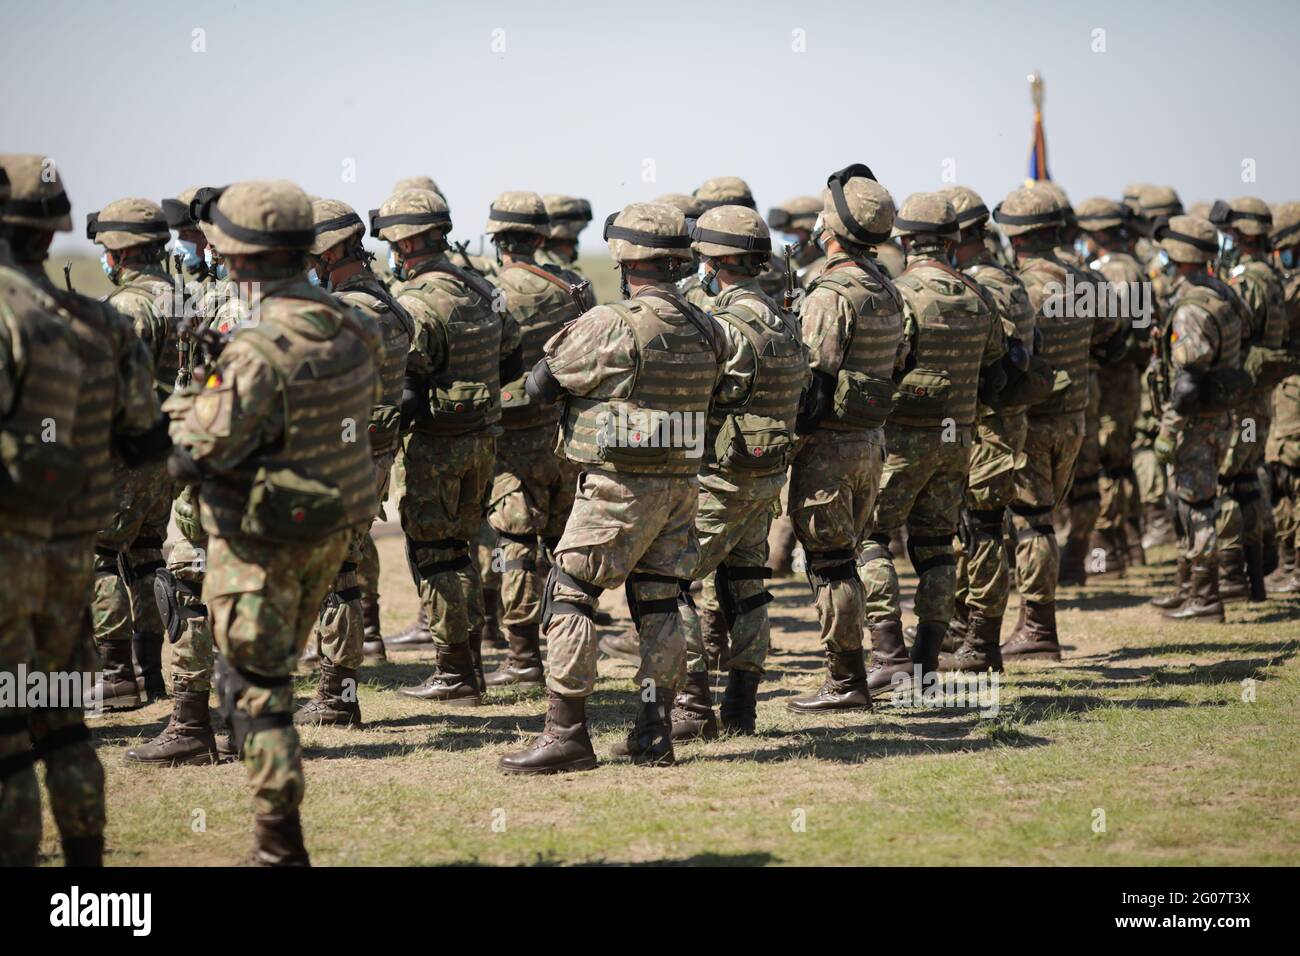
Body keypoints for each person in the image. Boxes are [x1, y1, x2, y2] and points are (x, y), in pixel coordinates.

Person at [168, 180, 378, 865]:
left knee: (255, 691)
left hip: (259, 539)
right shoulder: (356, 323)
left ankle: (278, 847)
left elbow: (197, 453)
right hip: (331, 527)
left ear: (240, 259)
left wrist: (186, 399)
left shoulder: (256, 348)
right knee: (272, 678)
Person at [498, 201, 723, 773]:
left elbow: (539, 387)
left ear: (624, 258)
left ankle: (567, 733)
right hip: (681, 489)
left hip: (619, 488)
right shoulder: (708, 326)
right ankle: (654, 731)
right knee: (660, 603)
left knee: (570, 593)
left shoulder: (612, 324)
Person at [0, 154, 165, 864]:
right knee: (64, 726)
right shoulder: (102, 323)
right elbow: (145, 440)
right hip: (69, 558)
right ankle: (89, 883)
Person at [375, 187, 521, 702]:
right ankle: (470, 667)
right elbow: (513, 358)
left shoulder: (415, 301)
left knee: (435, 557)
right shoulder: (482, 289)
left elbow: (409, 390)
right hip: (482, 443)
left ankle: (455, 674)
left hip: (435, 449)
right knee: (461, 554)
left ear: (405, 243)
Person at [671, 203, 808, 738]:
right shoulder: (783, 318)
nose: (698, 265)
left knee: (670, 582)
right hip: (763, 476)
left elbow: (695, 399)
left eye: (703, 255)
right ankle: (741, 707)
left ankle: (692, 706)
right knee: (747, 588)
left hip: (719, 476)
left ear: (720, 260)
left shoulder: (721, 327)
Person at [859, 192, 1002, 692]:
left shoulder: (900, 295)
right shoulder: (977, 295)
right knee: (937, 546)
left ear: (903, 239)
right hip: (957, 439)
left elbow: (884, 362)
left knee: (872, 539)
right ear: (952, 240)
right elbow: (997, 365)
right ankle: (925, 664)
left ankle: (888, 652)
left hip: (902, 440)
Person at [783, 165, 902, 712]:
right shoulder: (886, 289)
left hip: (828, 448)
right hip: (870, 442)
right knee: (848, 558)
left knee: (829, 565)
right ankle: (857, 673)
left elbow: (813, 382)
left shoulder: (832, 293)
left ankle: (845, 681)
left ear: (829, 230)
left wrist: (787, 442)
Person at [292, 199, 406, 725]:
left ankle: (337, 698)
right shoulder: (387, 303)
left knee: (336, 573)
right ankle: (339, 691)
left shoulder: (347, 313)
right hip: (371, 454)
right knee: (344, 570)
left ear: (332, 251)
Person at [480, 191, 592, 688]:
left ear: (499, 239)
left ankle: (524, 659)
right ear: (541, 236)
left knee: (515, 546)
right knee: (566, 547)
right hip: (567, 437)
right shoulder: (574, 286)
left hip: (512, 443)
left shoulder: (490, 291)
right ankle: (571, 649)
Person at [1149, 215, 1247, 620]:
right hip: (1219, 415)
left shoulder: (1191, 306)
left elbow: (1188, 380)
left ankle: (1205, 597)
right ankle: (1188, 587)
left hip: (1196, 420)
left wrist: (1169, 431)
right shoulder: (1222, 291)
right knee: (1190, 500)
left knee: (1197, 504)